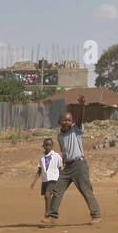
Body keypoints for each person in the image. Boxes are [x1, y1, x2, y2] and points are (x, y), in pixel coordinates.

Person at [43, 95, 102, 226]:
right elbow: (64, 152)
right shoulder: (59, 136)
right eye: (65, 120)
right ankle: (52, 216)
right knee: (57, 190)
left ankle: (96, 215)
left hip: (79, 164)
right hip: (68, 166)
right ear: (60, 122)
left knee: (86, 190)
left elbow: (81, 119)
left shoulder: (76, 130)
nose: (67, 122)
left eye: (70, 120)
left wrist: (82, 106)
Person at [29, 138, 62, 217]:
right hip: (45, 180)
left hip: (54, 178)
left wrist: (60, 181)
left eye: (49, 145)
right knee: (46, 197)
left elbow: (60, 168)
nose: (48, 147)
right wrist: (34, 182)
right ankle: (51, 212)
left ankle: (48, 214)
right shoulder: (41, 157)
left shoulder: (57, 156)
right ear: (43, 146)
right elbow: (39, 170)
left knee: (47, 195)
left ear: (52, 146)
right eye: (46, 145)